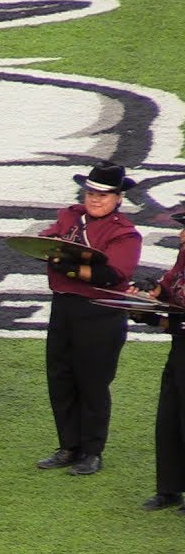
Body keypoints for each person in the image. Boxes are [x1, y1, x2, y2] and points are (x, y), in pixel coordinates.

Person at [34, 161, 141, 475]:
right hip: (64, 306)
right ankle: (68, 446)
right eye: (91, 192)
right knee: (60, 376)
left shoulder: (125, 233)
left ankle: (92, 452)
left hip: (100, 313)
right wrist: (61, 258)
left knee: (92, 383)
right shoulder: (70, 216)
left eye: (104, 195)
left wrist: (68, 267)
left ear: (119, 198)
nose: (95, 199)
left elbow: (113, 274)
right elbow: (47, 242)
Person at [133, 211, 185, 512]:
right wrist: (150, 292)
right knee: (169, 417)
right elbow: (169, 289)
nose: (181, 235)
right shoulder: (182, 259)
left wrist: (156, 319)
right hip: (180, 350)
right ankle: (169, 489)